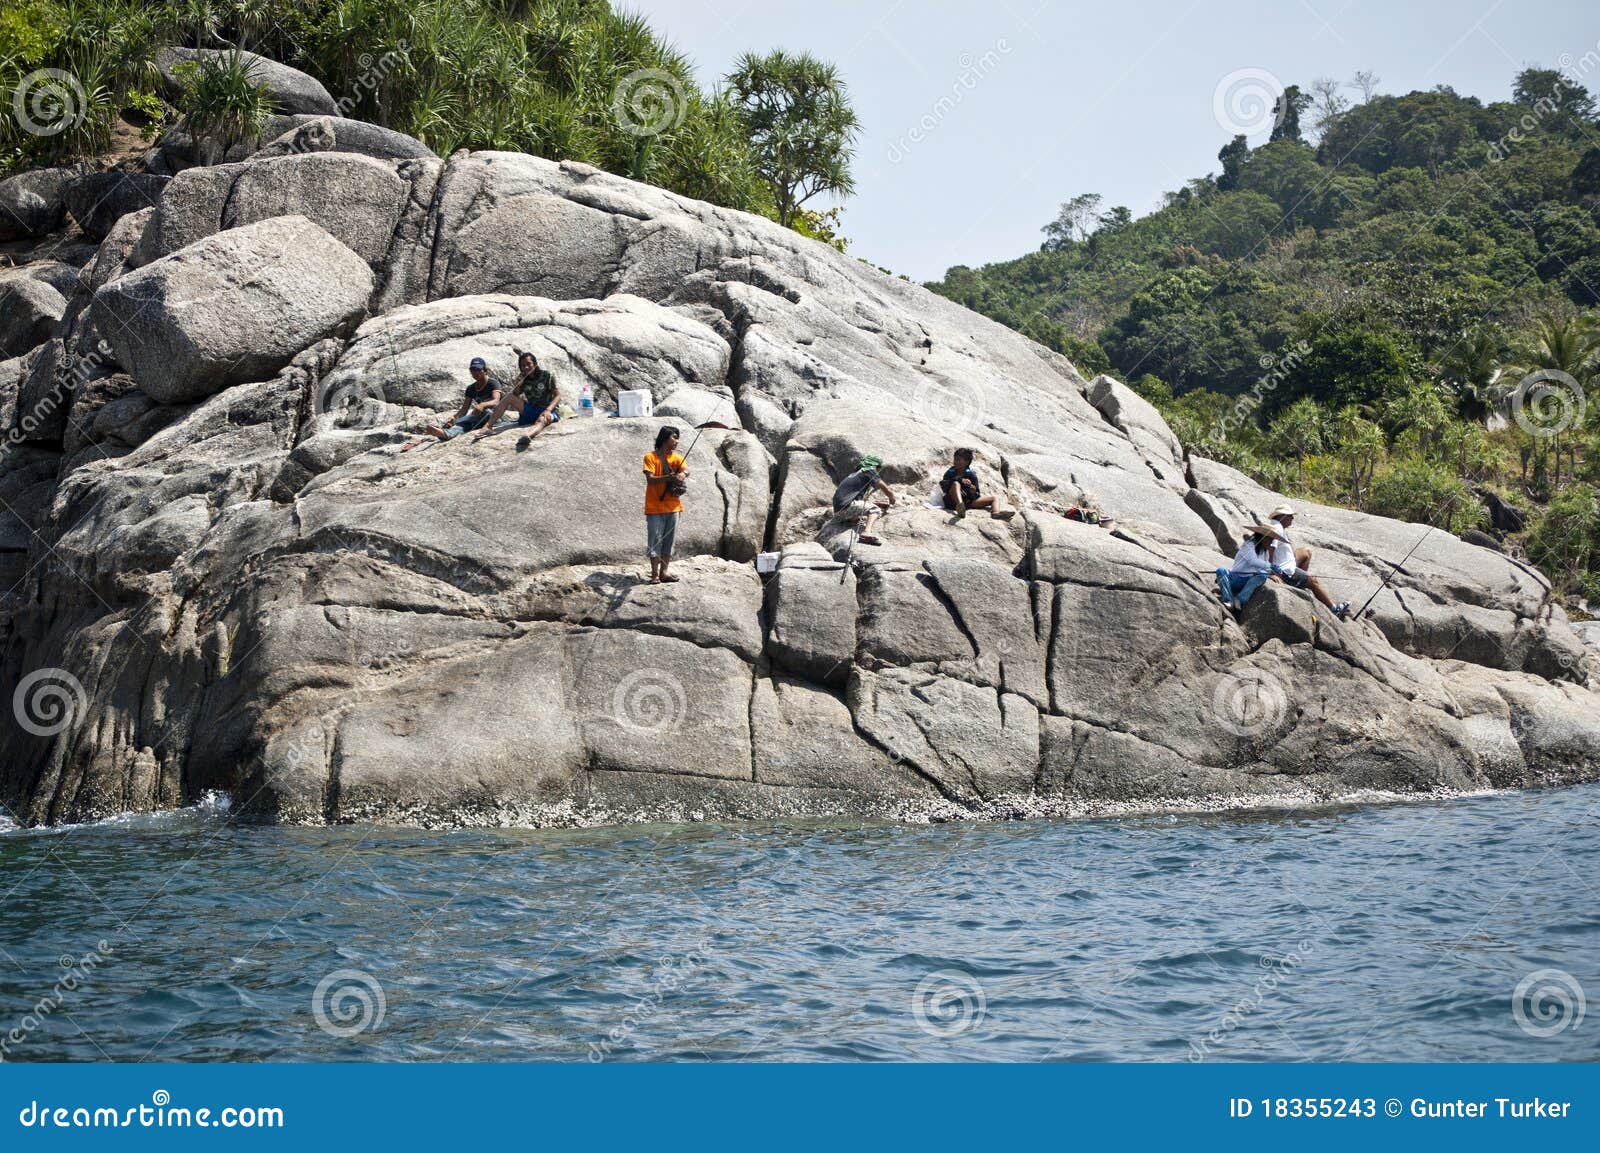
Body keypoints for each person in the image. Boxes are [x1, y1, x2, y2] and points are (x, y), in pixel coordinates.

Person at [1263, 504, 1350, 619]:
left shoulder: (1277, 526)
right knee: (1313, 580)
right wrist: (1271, 573)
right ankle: (1334, 609)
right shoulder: (1277, 529)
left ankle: (1301, 584)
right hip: (1285, 570)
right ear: (1282, 516)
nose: (1292, 519)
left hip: (1287, 562)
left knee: (1306, 552)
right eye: (1290, 516)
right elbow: (1270, 549)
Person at [402, 356, 500, 450]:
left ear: (485, 371)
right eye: (473, 370)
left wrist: (483, 405)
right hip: (478, 418)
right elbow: (464, 409)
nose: (476, 373)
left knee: (486, 412)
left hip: (494, 416)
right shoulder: (471, 388)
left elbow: (496, 401)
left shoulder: (492, 383)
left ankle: (452, 428)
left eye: (478, 370)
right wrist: (454, 418)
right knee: (466, 424)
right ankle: (447, 434)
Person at [474, 350, 561, 448]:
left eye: (529, 364)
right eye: (523, 366)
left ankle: (527, 435)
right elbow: (515, 396)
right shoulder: (524, 379)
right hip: (532, 410)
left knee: (542, 419)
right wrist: (518, 385)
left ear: (535, 364)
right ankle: (488, 427)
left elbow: (558, 396)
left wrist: (548, 410)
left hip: (548, 411)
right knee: (509, 397)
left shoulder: (547, 376)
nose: (526, 367)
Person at [643, 425, 687, 584]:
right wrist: (669, 478)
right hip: (654, 507)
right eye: (674, 437)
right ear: (664, 438)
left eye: (677, 437)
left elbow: (686, 470)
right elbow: (650, 479)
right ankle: (654, 575)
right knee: (654, 540)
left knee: (669, 541)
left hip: (674, 507)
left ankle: (664, 573)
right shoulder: (650, 457)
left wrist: (682, 474)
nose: (677, 441)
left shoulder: (677, 458)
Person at [831, 454, 897, 546]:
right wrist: (892, 497)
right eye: (879, 468)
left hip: (839, 509)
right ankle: (866, 533)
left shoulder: (856, 473)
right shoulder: (869, 470)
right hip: (846, 507)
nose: (878, 471)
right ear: (876, 466)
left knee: (867, 511)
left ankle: (851, 519)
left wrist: (875, 503)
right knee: (875, 510)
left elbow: (856, 499)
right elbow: (884, 487)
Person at [940, 447, 1015, 520]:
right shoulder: (951, 472)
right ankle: (960, 506)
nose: (955, 462)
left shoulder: (972, 475)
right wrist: (960, 480)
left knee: (994, 498)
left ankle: (996, 513)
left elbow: (977, 494)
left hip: (968, 502)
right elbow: (943, 484)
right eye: (955, 459)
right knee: (956, 484)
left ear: (966, 462)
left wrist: (973, 491)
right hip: (952, 501)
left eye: (958, 460)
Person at [1215, 529, 1277, 611]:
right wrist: (1270, 565)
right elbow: (1252, 561)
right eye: (1270, 539)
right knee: (1221, 570)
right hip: (1235, 578)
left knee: (1263, 575)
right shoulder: (1248, 545)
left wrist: (1271, 572)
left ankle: (1239, 599)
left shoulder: (1265, 552)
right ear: (1263, 537)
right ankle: (1228, 600)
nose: (1270, 543)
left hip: (1247, 582)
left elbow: (1263, 567)